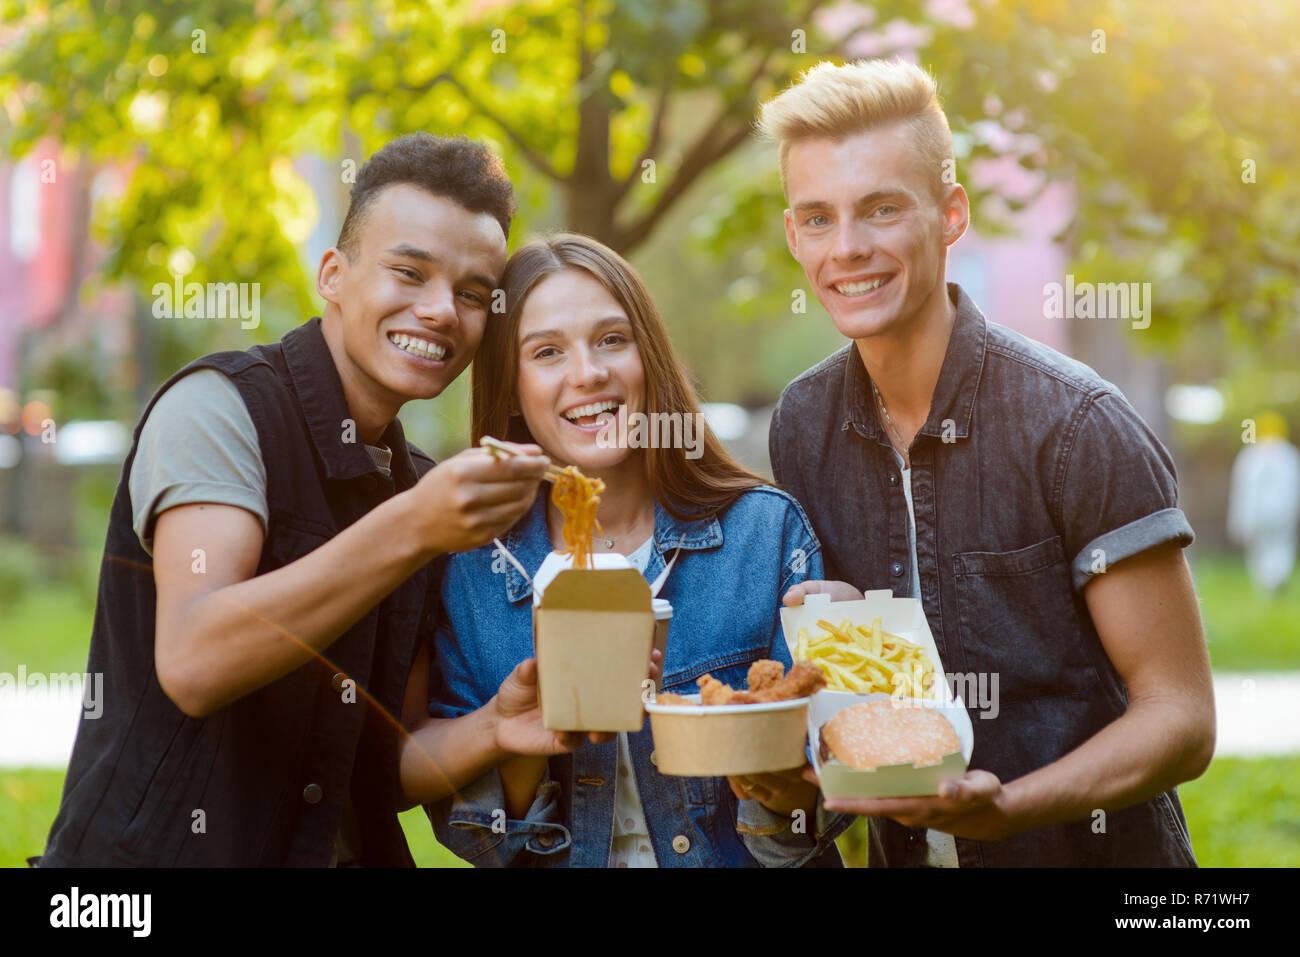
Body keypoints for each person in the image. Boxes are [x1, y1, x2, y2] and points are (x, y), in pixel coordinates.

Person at [39, 133, 559, 866]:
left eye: (473, 293)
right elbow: (194, 660)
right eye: (409, 271)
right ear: (334, 274)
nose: (442, 309)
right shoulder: (219, 409)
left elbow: (387, 760)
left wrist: (496, 727)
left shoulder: (421, 486)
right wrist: (412, 528)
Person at [757, 59, 1215, 866]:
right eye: (818, 218)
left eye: (882, 208)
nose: (849, 247)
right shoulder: (802, 422)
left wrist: (1010, 808)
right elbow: (873, 694)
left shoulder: (1076, 423)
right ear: (793, 235)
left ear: (950, 214)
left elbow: (1181, 717)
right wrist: (838, 634)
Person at [410, 233, 850, 866]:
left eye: (612, 340)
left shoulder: (765, 535)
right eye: (547, 352)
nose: (588, 373)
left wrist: (760, 764)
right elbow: (478, 840)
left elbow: (809, 822)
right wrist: (530, 736)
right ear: (511, 388)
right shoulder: (474, 569)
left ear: (650, 359)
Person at [1227, 411, 1300, 595]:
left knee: (1258, 550)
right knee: (1281, 546)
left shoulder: (1249, 456)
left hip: (1255, 514)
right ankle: (1277, 577)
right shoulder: (1290, 456)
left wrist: (1238, 521)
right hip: (1283, 512)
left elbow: (1242, 492)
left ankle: (1267, 586)